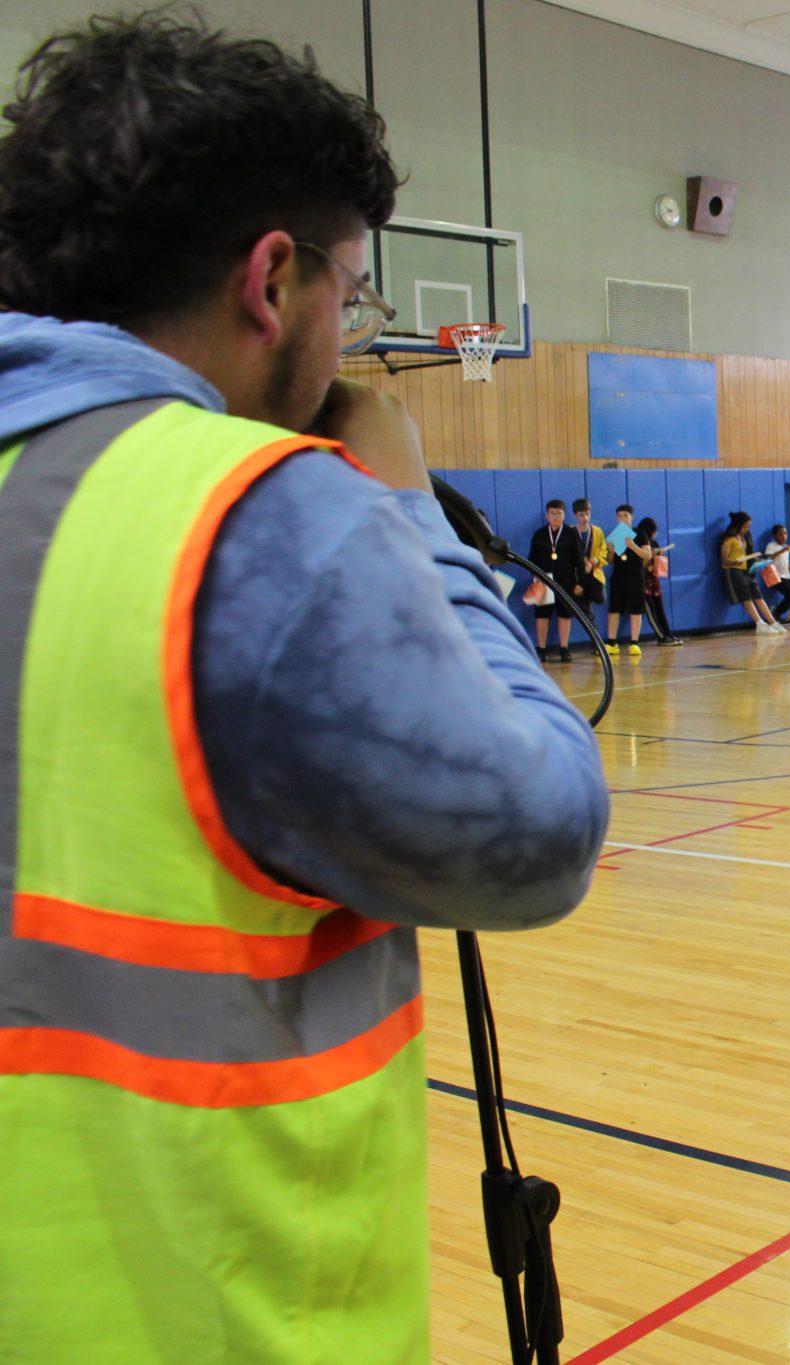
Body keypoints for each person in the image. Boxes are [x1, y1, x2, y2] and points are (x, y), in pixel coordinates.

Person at [0, 16, 608, 1359]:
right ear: (270, 280)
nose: (350, 329)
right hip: (203, 1304)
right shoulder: (255, 515)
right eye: (352, 289)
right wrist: (406, 517)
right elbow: (537, 832)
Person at [528, 498, 579, 660]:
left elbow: (579, 560)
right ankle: (541, 649)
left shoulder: (571, 534)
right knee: (542, 616)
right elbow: (531, 559)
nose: (555, 516)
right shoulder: (540, 534)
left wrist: (579, 582)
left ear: (564, 515)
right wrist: (536, 577)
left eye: (559, 513)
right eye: (552, 513)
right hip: (543, 580)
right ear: (546, 515)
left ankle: (564, 648)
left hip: (566, 581)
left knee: (565, 615)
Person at [719, 511, 783, 634]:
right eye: (744, 527)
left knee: (758, 595)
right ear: (737, 525)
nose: (746, 529)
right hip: (735, 571)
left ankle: (772, 621)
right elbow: (724, 559)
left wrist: (760, 561)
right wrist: (734, 563)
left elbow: (748, 555)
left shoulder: (746, 537)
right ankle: (759, 623)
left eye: (748, 526)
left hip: (748, 570)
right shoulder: (729, 540)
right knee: (746, 597)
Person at [607, 506, 651, 656]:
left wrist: (633, 546)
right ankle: (612, 642)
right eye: (619, 516)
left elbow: (648, 555)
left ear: (631, 517)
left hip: (635, 577)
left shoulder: (640, 534)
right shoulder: (615, 534)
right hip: (618, 576)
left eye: (625, 516)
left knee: (636, 610)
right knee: (614, 609)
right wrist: (610, 551)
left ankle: (634, 643)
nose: (622, 519)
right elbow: (610, 560)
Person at [571, 497, 612, 654]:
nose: (585, 518)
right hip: (579, 577)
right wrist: (582, 565)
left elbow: (603, 551)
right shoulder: (571, 531)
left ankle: (597, 643)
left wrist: (595, 560)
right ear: (576, 515)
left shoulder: (597, 531)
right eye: (581, 515)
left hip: (594, 574)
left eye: (587, 514)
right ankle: (597, 644)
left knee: (600, 599)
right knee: (587, 612)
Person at [635, 517, 678, 643]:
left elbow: (656, 568)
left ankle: (668, 634)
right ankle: (661, 637)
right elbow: (641, 565)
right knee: (651, 611)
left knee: (660, 609)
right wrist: (650, 556)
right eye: (653, 531)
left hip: (653, 580)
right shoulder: (639, 543)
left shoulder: (654, 543)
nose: (654, 534)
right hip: (642, 581)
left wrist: (659, 558)